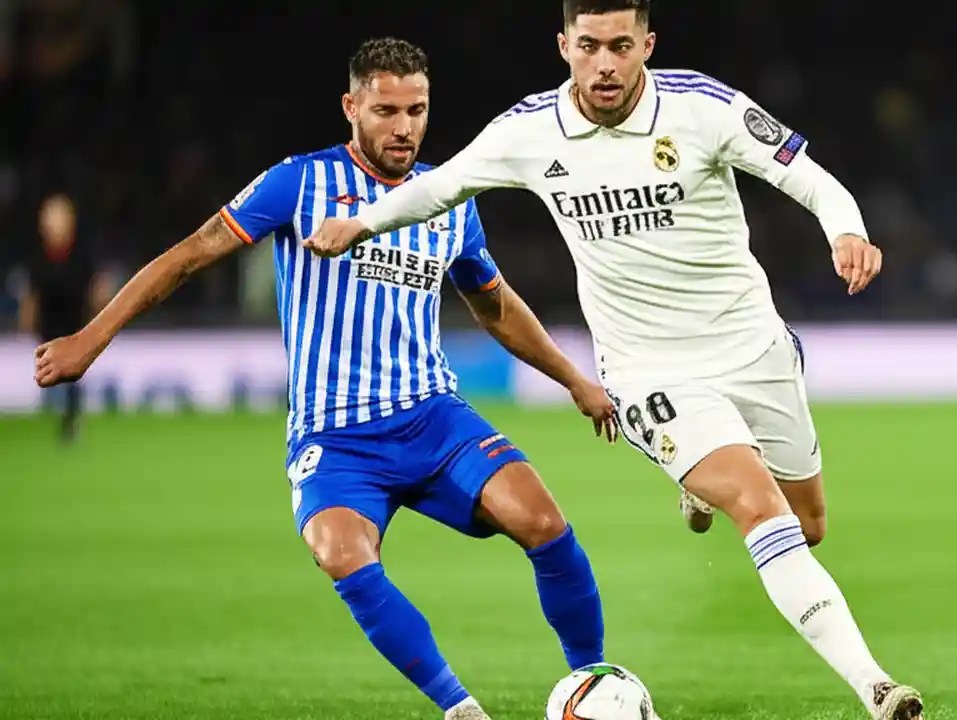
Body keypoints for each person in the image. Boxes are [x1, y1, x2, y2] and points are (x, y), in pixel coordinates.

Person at [302, 3, 923, 719]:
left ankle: (699, 486)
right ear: (564, 46)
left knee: (807, 527)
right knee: (757, 505)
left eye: (620, 45)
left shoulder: (702, 108)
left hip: (753, 348)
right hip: (649, 370)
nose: (604, 62)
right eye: (589, 45)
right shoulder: (530, 129)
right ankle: (876, 686)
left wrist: (847, 231)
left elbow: (809, 177)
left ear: (647, 45)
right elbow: (441, 187)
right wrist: (362, 222)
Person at [33, 37, 618, 720]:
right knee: (341, 553)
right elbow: (189, 257)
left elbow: (494, 304)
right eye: (386, 111)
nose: (403, 127)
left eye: (417, 110)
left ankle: (594, 688)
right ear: (351, 107)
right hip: (336, 437)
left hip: (433, 418)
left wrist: (575, 380)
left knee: (544, 522)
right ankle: (461, 710)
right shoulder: (299, 183)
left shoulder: (447, 196)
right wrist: (91, 338)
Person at [21, 192, 110, 443]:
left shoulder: (83, 255)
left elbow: (97, 291)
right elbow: (32, 296)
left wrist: (99, 322)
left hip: (75, 329)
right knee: (51, 385)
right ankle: (55, 420)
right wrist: (27, 320)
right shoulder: (36, 258)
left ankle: (71, 421)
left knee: (72, 383)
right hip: (48, 330)